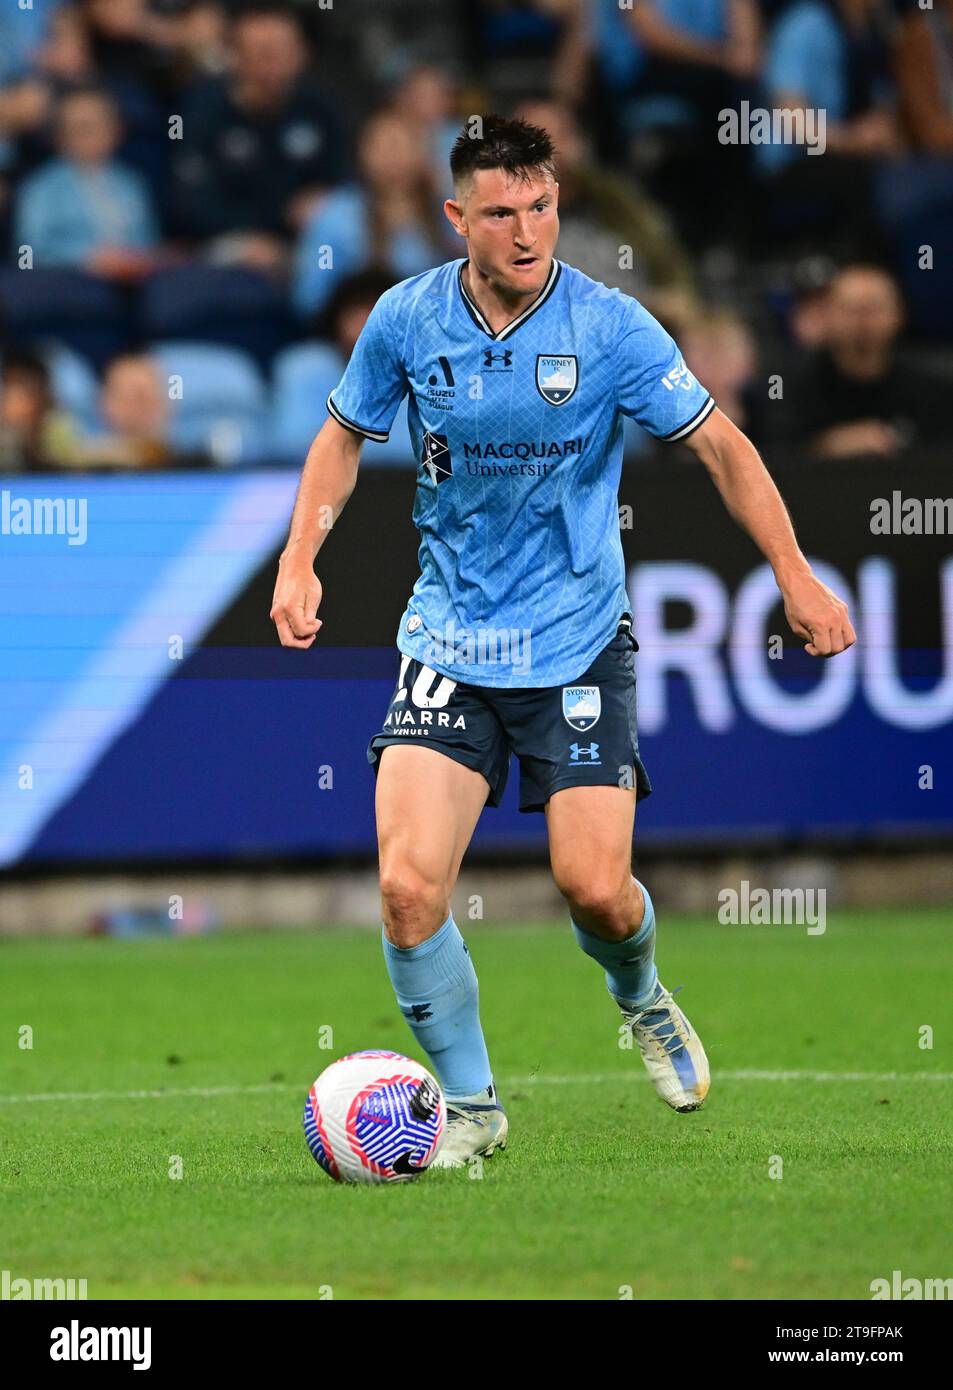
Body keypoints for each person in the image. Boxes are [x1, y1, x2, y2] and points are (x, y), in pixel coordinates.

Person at [270, 116, 856, 1169]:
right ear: (457, 219)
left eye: (540, 205)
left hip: (578, 642)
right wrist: (299, 558)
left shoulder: (609, 327)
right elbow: (339, 439)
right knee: (407, 890)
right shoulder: (406, 319)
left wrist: (793, 571)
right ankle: (472, 1109)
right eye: (500, 211)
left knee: (592, 886)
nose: (527, 228)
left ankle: (638, 994)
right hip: (446, 641)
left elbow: (720, 446)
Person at [786, 264, 950, 458]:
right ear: (828, 314)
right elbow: (771, 458)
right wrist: (826, 446)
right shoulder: (791, 387)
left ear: (898, 314)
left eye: (874, 309)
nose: (862, 322)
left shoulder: (935, 388)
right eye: (851, 309)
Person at [13, 85, 160, 275]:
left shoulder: (131, 182)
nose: (90, 135)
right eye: (80, 128)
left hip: (136, 281)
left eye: (99, 124)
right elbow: (28, 252)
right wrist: (87, 257)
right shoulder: (41, 187)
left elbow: (149, 242)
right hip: (72, 286)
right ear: (60, 135)